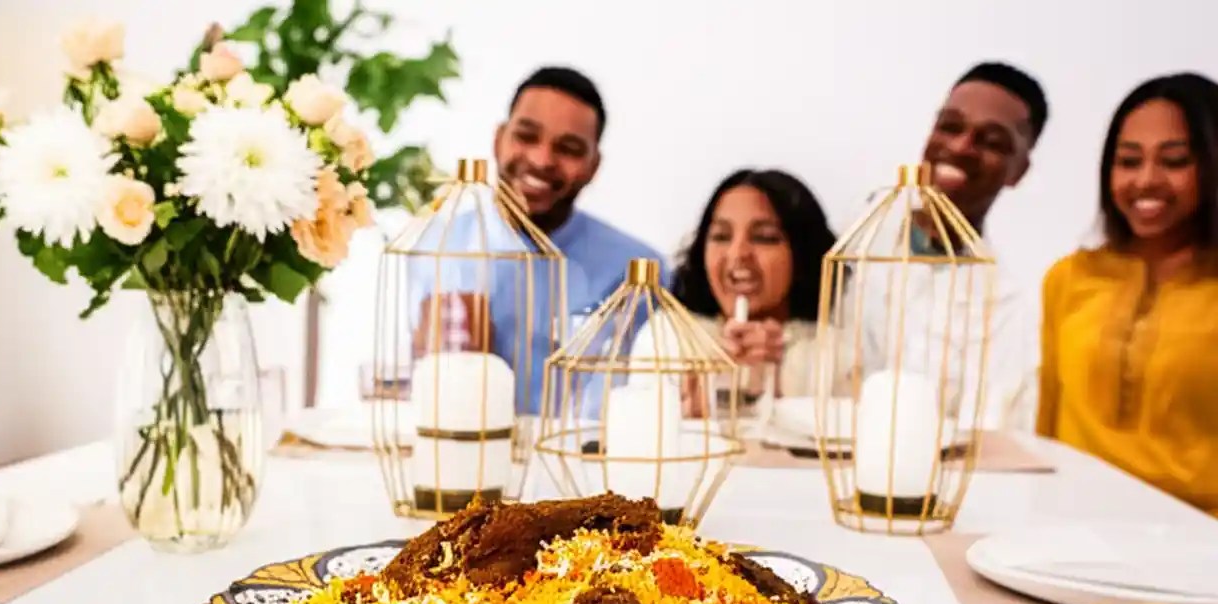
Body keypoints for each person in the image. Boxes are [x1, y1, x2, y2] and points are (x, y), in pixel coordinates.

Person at [411, 67, 665, 414]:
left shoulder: (638, 270)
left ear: (593, 166)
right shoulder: (435, 245)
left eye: (569, 148)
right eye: (526, 136)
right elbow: (399, 388)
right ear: (499, 139)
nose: (542, 160)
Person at [1038, 72, 1218, 517]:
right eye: (1129, 160)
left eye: (1174, 161)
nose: (1146, 180)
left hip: (1200, 551)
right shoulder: (1071, 278)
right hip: (1072, 536)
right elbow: (1046, 430)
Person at [859, 62, 1049, 430]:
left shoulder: (1011, 311)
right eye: (950, 126)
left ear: (1018, 171)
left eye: (992, 141)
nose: (961, 147)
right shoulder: (848, 245)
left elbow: (996, 436)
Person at [663, 169, 838, 415]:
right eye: (721, 236)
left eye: (764, 238)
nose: (737, 254)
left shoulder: (841, 356)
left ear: (802, 254)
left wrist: (778, 381)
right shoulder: (666, 339)